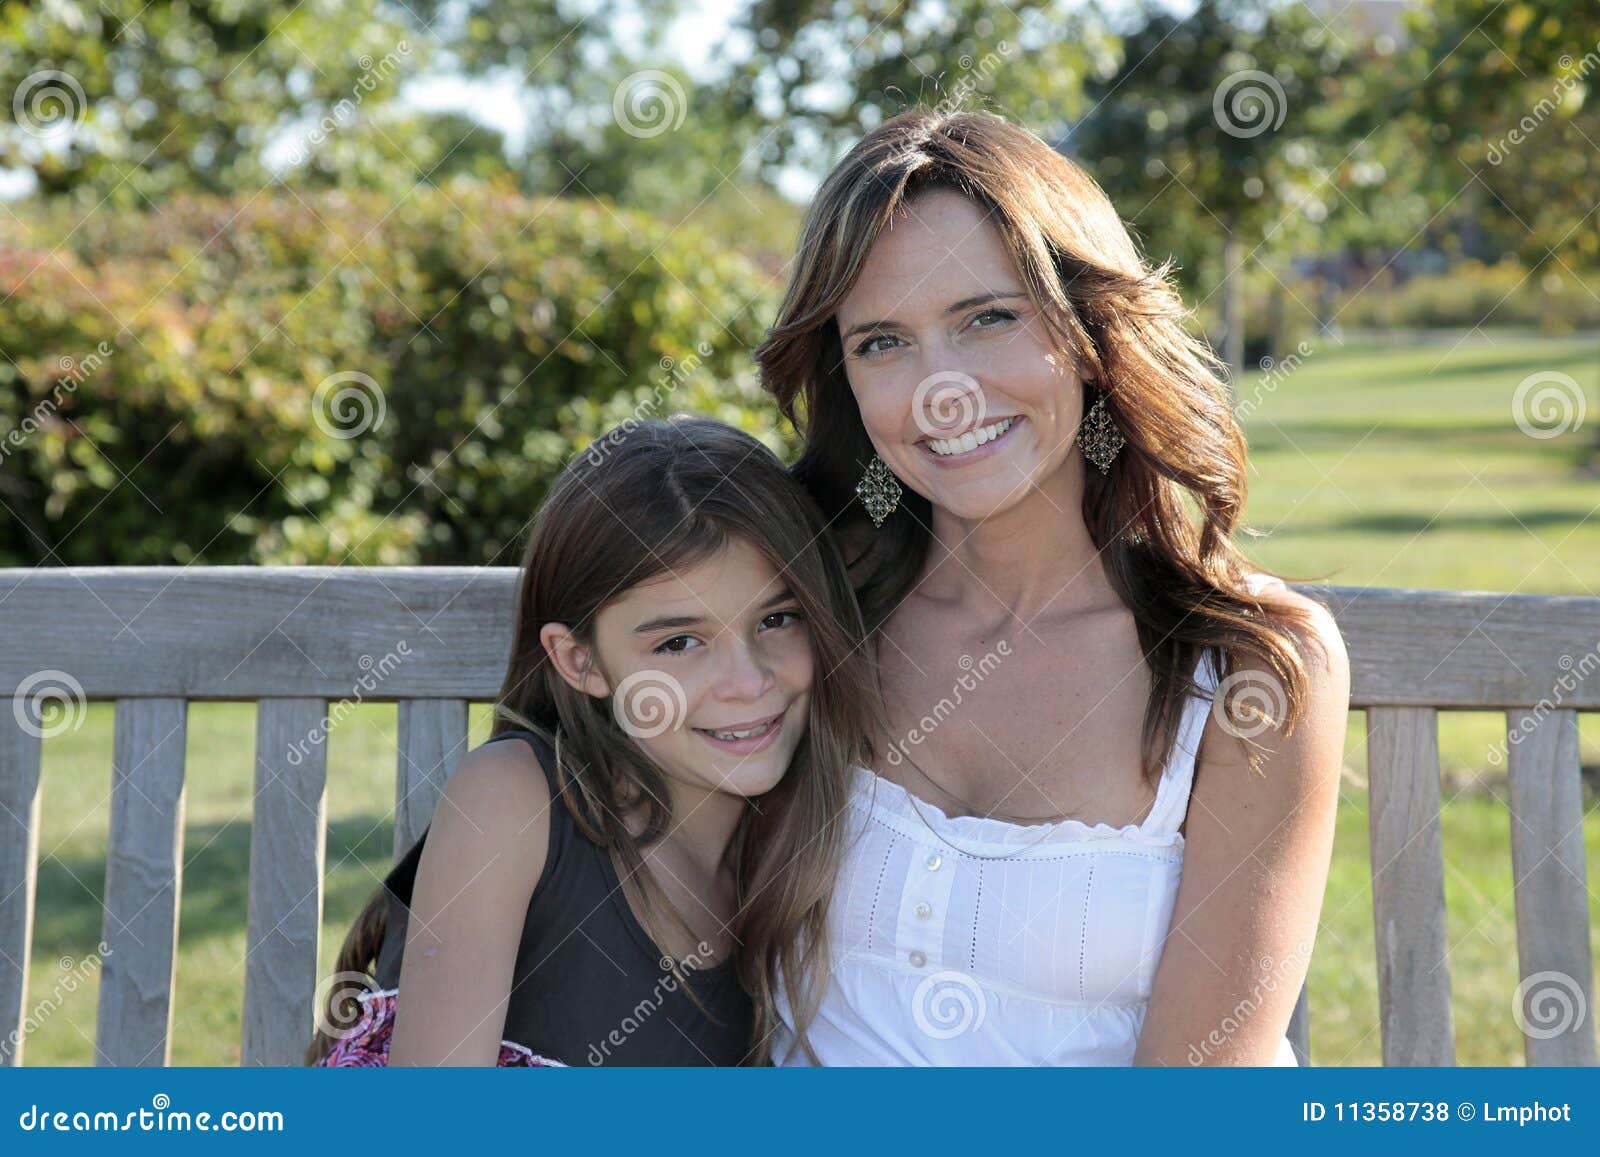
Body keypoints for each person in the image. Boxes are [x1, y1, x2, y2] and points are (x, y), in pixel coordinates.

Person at [754, 108, 1351, 1066]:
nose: (940, 391)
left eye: (987, 318)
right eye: (882, 342)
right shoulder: (803, 620)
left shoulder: (1244, 666)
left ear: (1087, 331)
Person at [307, 416, 878, 1066]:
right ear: (580, 661)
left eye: (778, 619)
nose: (748, 682)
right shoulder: (511, 801)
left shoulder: (816, 846)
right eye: (679, 642)